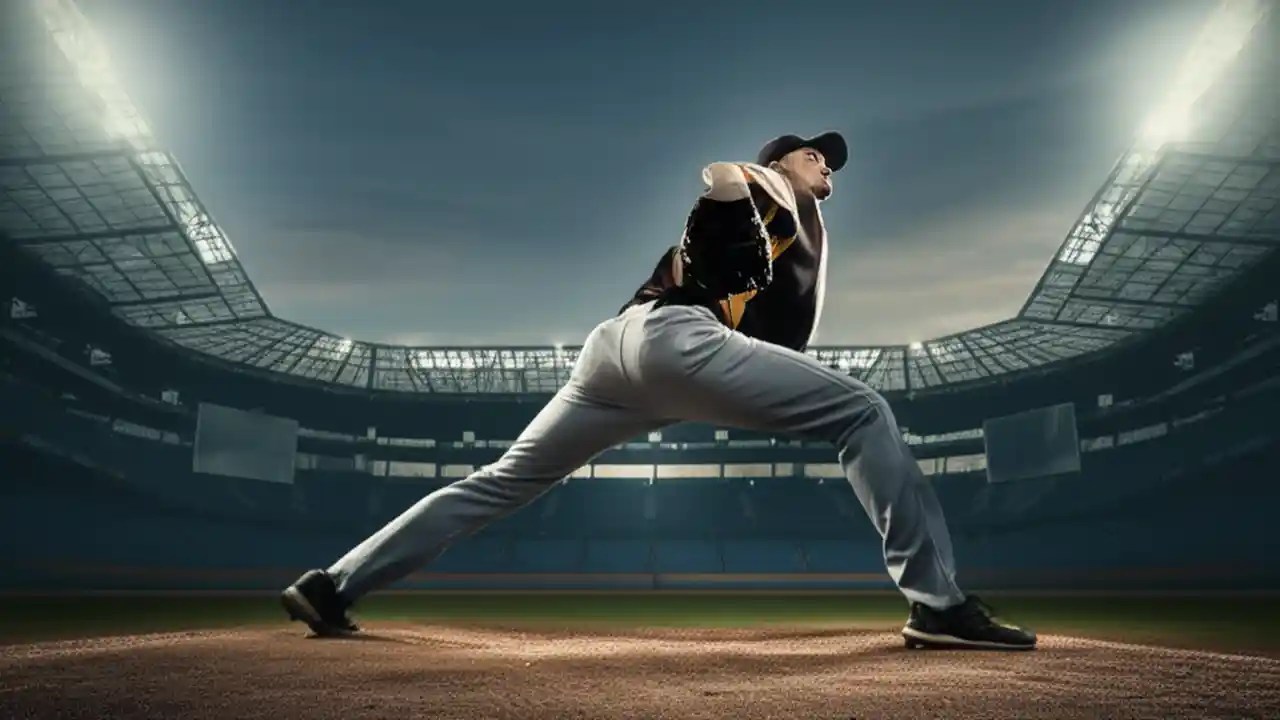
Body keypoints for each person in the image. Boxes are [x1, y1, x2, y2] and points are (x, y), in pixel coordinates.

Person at [282, 132, 1037, 651]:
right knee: (866, 411)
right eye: (818, 157)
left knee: (500, 482)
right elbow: (722, 174)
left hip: (615, 351)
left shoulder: (803, 236)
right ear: (788, 158)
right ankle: (938, 605)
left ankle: (333, 585)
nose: (827, 171)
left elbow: (776, 343)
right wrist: (743, 191)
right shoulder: (776, 185)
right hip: (676, 342)